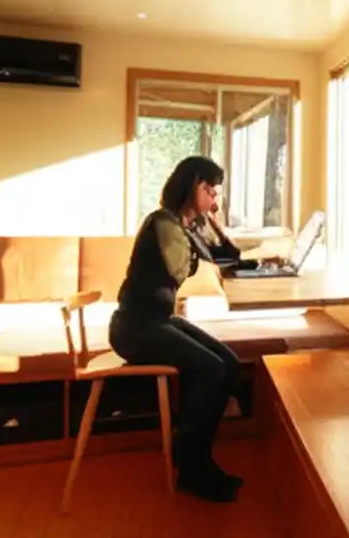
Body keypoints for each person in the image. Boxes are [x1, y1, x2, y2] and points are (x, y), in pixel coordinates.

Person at [108, 156, 254, 502]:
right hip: (135, 326)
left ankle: (191, 446)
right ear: (191, 186)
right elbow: (179, 269)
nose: (214, 200)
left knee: (230, 364)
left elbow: (227, 256)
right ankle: (193, 465)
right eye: (209, 190)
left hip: (158, 320)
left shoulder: (183, 225)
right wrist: (197, 225)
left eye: (216, 193)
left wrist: (211, 223)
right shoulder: (163, 223)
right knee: (211, 369)